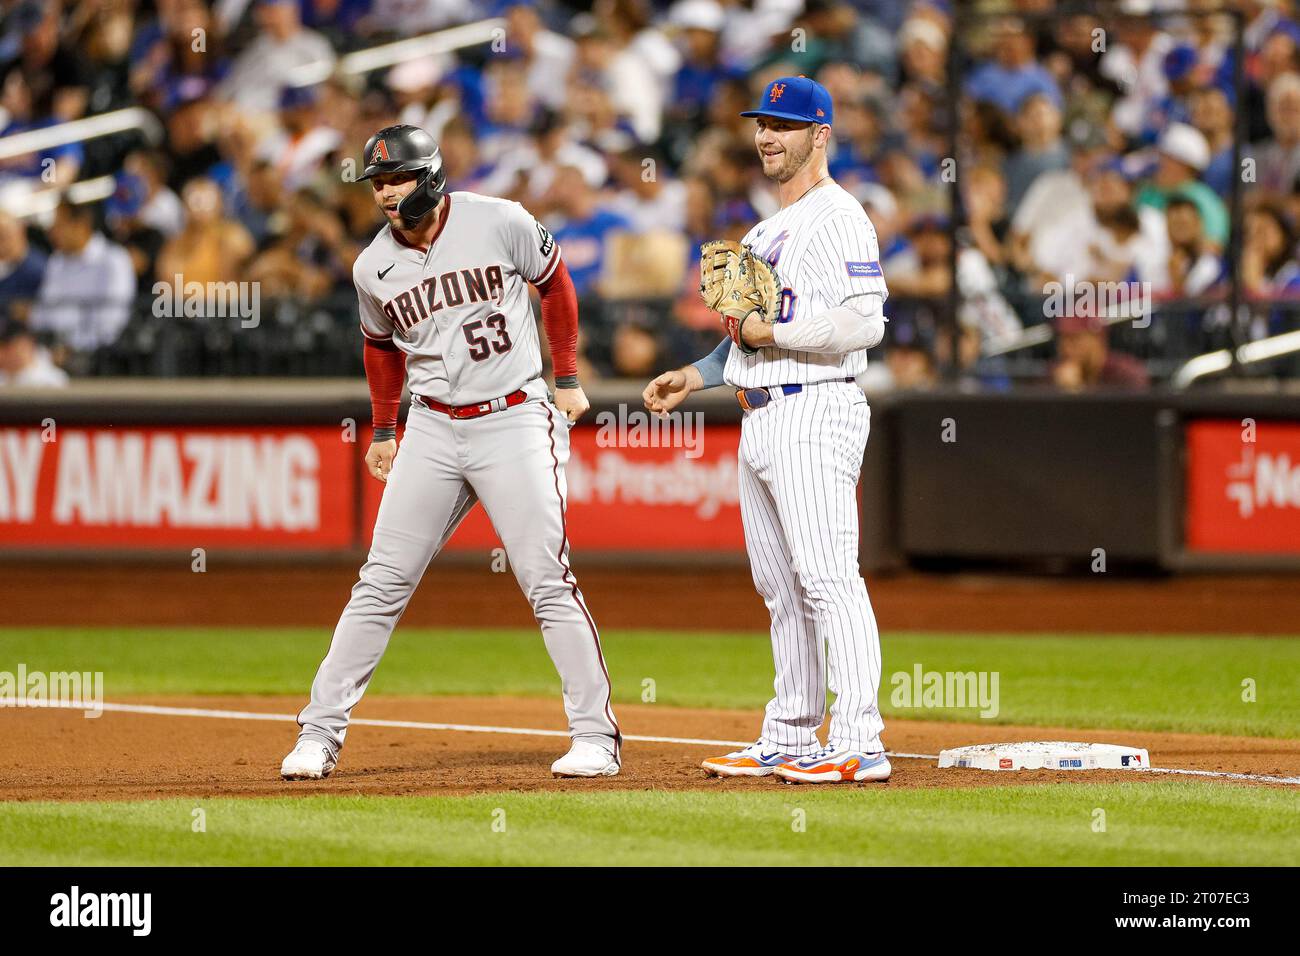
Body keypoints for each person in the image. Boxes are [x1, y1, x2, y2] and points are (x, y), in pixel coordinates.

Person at [282, 125, 620, 782]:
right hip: (432, 428)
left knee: (546, 579)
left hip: (514, 417)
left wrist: (569, 376)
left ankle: (595, 738)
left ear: (430, 176)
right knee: (380, 582)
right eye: (378, 182)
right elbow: (380, 348)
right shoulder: (371, 265)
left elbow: (556, 285)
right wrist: (384, 430)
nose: (385, 192)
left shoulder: (499, 220)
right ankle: (318, 733)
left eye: (396, 178)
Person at [642, 77, 891, 785]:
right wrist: (697, 374)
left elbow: (864, 321)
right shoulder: (761, 229)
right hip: (760, 412)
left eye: (786, 123)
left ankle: (859, 738)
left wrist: (771, 328)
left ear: (822, 135)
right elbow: (744, 340)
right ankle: (791, 732)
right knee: (781, 588)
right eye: (762, 123)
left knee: (826, 577)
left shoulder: (840, 215)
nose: (768, 135)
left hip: (816, 407)